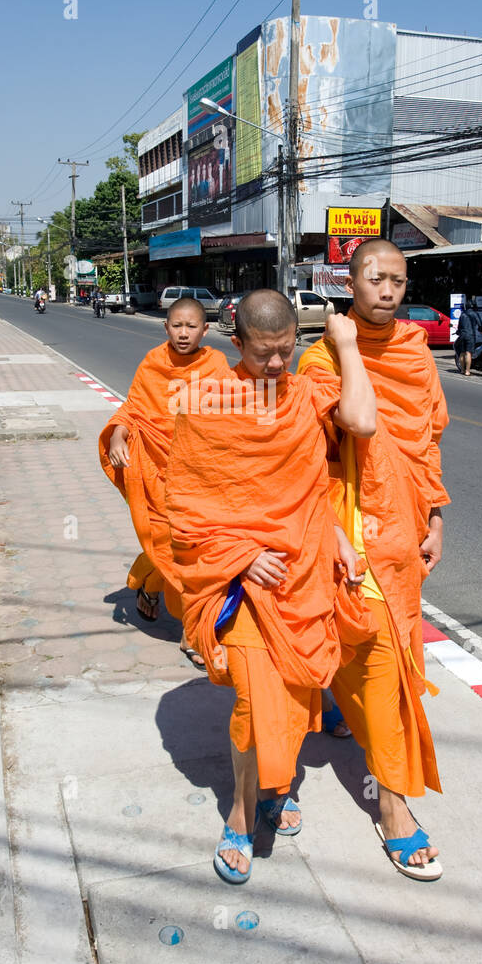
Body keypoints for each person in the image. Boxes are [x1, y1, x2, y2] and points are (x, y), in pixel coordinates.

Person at [165, 290, 377, 883]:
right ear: (236, 344)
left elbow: (357, 426)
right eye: (264, 355)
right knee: (254, 702)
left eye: (287, 351)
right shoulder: (209, 404)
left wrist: (345, 343)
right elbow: (187, 505)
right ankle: (239, 809)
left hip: (302, 573)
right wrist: (240, 554)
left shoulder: (306, 395)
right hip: (245, 583)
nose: (278, 366)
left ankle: (276, 784)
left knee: (290, 697)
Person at [299, 240, 449, 880]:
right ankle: (393, 808)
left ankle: (338, 709)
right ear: (349, 283)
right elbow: (357, 424)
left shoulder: (416, 352)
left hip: (404, 538)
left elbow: (427, 442)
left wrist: (437, 515)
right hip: (346, 533)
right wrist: (350, 347)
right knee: (381, 667)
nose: (387, 291)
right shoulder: (321, 355)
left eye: (397, 280)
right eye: (374, 279)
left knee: (386, 658)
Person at [99, 297, 232, 667]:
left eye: (192, 326)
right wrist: (117, 435)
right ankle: (194, 633)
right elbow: (134, 408)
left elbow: (226, 418)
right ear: (166, 326)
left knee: (197, 551)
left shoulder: (216, 364)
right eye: (177, 325)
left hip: (203, 475)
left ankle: (152, 585)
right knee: (169, 546)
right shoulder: (154, 363)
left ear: (205, 331)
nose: (184, 333)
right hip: (158, 472)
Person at [455, 299, 477, 375]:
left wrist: (458, 332)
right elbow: (480, 325)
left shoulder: (462, 315)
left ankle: (462, 370)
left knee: (462, 353)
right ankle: (467, 371)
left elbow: (459, 327)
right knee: (468, 353)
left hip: (462, 335)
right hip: (470, 336)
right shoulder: (475, 314)